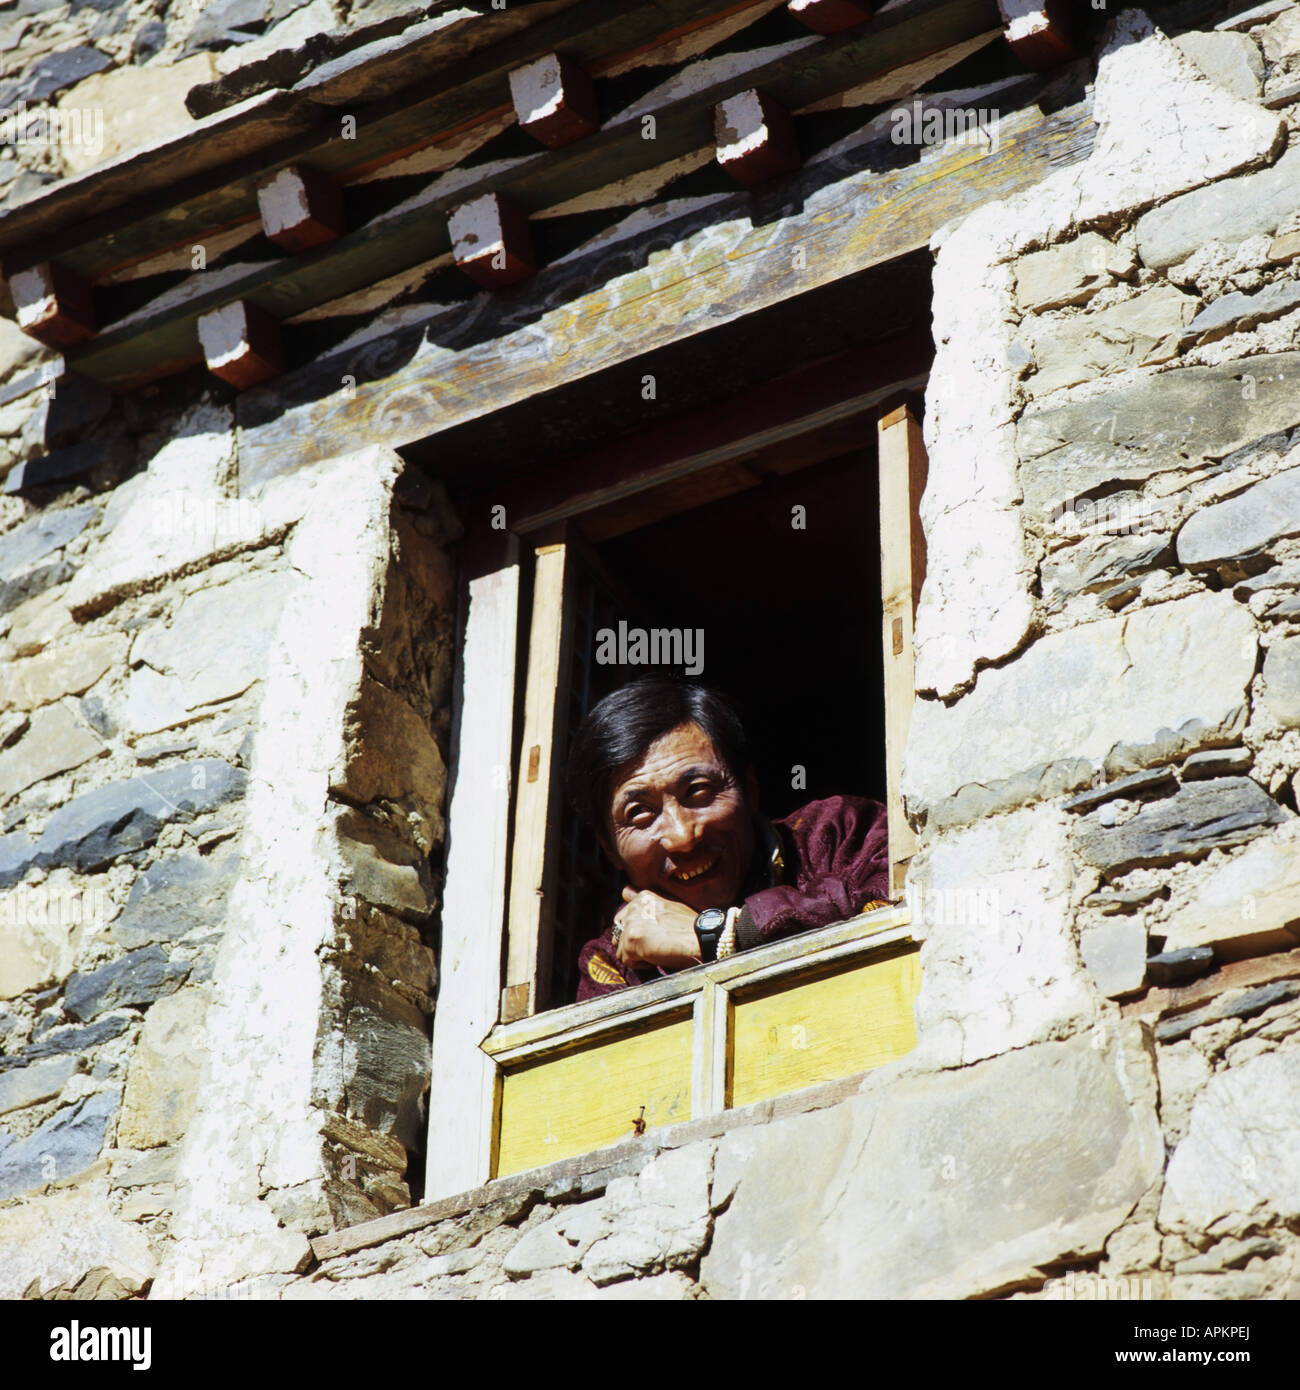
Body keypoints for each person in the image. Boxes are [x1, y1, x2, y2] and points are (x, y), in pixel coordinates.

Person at [568, 677, 892, 1001]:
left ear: (750, 789)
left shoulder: (841, 832)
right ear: (610, 849)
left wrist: (719, 936)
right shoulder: (612, 966)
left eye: (698, 791)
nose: (682, 837)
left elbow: (908, 900)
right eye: (640, 814)